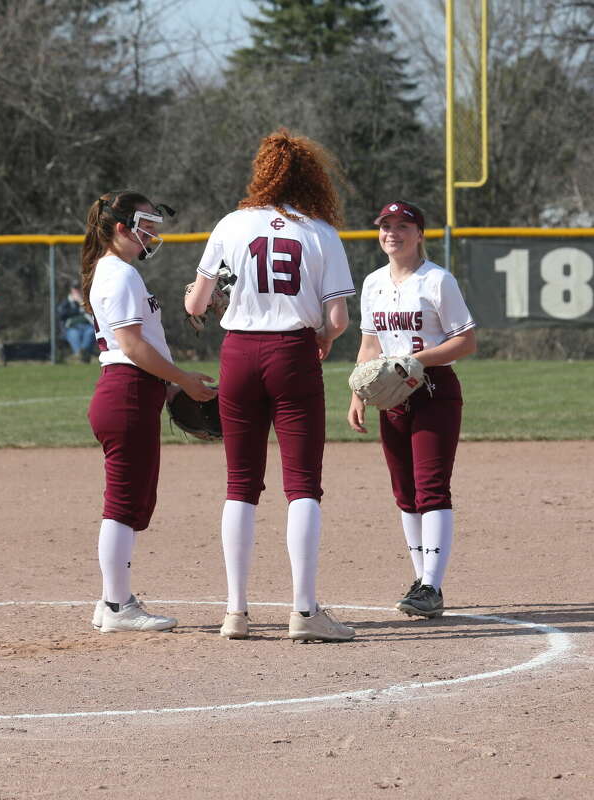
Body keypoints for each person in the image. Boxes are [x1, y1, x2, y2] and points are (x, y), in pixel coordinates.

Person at [185, 128, 357, 642]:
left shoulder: (232, 223)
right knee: (302, 484)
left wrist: (209, 298)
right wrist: (324, 337)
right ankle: (304, 611)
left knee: (240, 484)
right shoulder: (319, 231)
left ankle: (235, 612)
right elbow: (338, 318)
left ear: (261, 173)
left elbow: (196, 304)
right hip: (292, 352)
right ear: (309, 178)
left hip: (239, 352)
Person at [84, 190, 217, 633]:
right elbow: (133, 347)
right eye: (145, 226)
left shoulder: (118, 271)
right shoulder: (119, 273)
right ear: (121, 228)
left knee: (130, 501)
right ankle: (117, 605)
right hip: (127, 391)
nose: (152, 234)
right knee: (123, 504)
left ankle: (111, 601)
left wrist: (172, 383)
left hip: (133, 391)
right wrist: (182, 380)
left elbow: (142, 346)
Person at [348, 201, 478, 618]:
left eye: (403, 226)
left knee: (431, 488)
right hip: (391, 396)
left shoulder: (437, 280)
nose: (392, 233)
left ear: (420, 234)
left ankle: (431, 587)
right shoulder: (373, 283)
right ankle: (421, 581)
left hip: (433, 390)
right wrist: (358, 392)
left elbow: (466, 341)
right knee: (405, 492)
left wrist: (416, 361)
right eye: (385, 225)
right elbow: (370, 345)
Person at [57, 282, 98, 362]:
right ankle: (81, 355)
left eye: (78, 288)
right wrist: (75, 310)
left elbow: (92, 312)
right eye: (74, 288)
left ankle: (82, 354)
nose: (76, 291)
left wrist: (81, 302)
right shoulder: (67, 302)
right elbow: (61, 314)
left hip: (87, 326)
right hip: (72, 327)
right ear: (71, 290)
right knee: (74, 334)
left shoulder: (86, 301)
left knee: (90, 332)